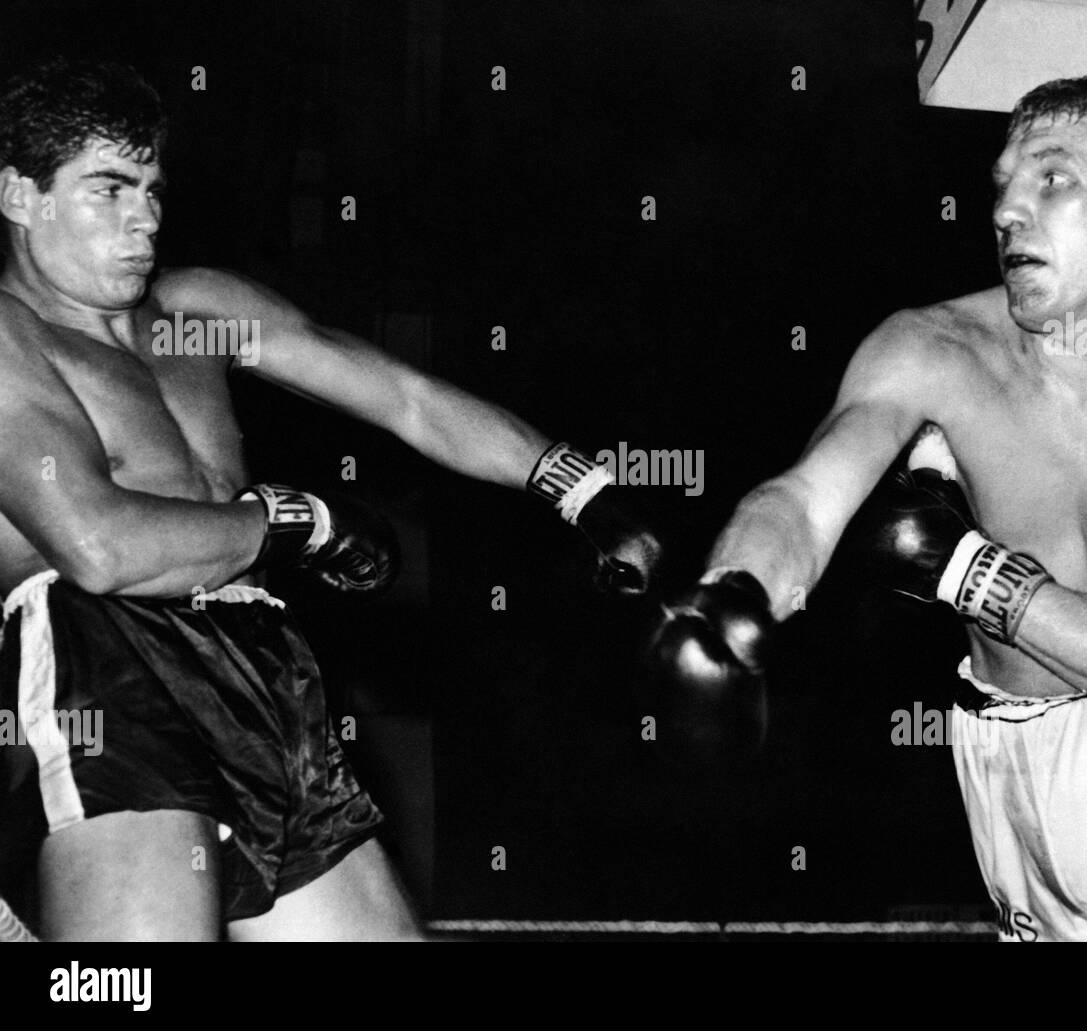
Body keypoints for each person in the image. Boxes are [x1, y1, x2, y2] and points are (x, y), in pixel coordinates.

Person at [0, 57, 660, 941]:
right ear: (19, 195)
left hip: (261, 672)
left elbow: (405, 398)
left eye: (154, 189)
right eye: (108, 190)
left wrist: (584, 492)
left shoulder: (196, 312)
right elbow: (98, 546)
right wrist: (299, 522)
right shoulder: (10, 335)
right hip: (102, 668)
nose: (144, 220)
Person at [646, 76, 1087, 941]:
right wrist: (734, 593)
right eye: (1001, 187)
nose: (1006, 212)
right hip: (999, 748)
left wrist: (969, 572)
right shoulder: (932, 349)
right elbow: (804, 502)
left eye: (1052, 180)